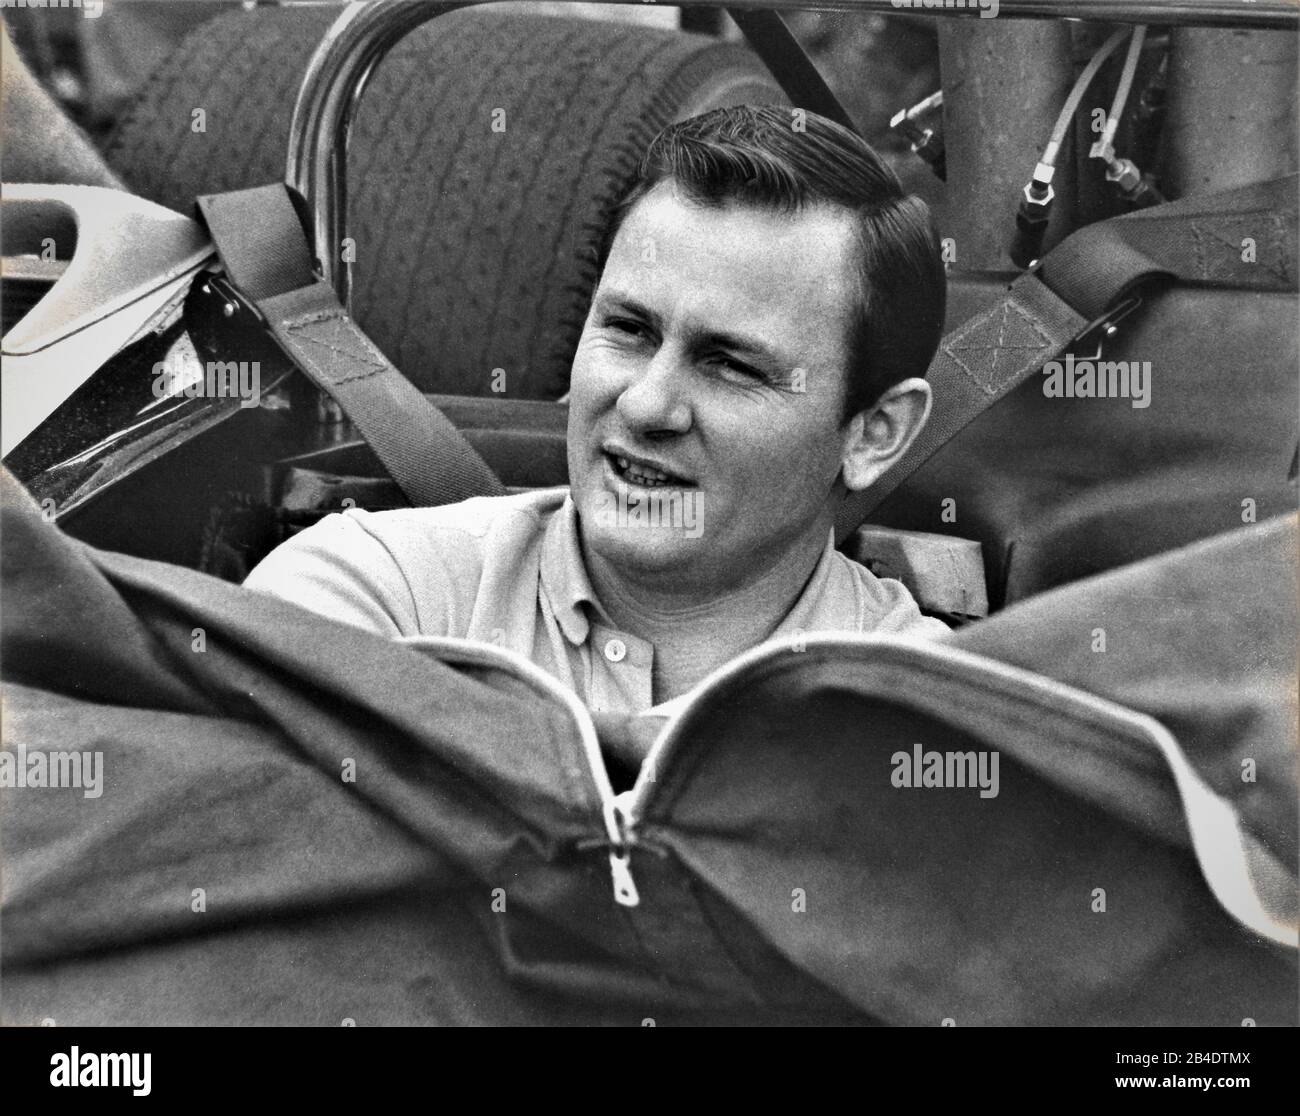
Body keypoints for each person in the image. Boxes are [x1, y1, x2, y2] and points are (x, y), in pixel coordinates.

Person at [244, 105, 950, 720]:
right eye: (629, 330)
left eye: (731, 365)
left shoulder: (939, 713)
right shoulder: (374, 591)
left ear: (873, 434)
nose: (645, 404)